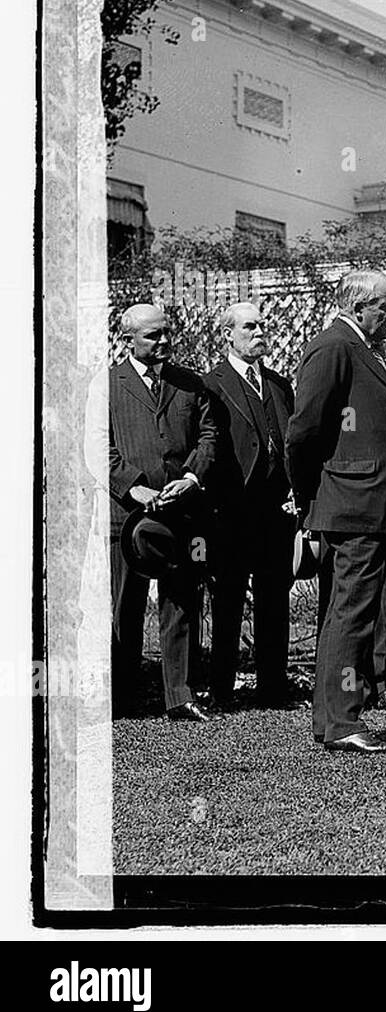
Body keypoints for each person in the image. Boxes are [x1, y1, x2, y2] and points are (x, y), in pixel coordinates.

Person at [286, 270, 386, 753]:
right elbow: (303, 432)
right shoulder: (335, 346)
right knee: (353, 615)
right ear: (360, 306)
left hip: (363, 503)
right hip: (353, 504)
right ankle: (342, 722)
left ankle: (332, 720)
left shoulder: (356, 345)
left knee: (346, 613)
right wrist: (311, 497)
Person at [105, 303, 219, 721]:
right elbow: (98, 444)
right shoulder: (107, 385)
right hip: (127, 516)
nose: (164, 341)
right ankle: (123, 696)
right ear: (127, 339)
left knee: (182, 601)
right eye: (153, 335)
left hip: (181, 511)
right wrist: (133, 486)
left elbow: (209, 436)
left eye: (166, 332)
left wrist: (190, 478)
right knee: (125, 606)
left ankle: (179, 696)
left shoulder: (191, 383)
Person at [203, 302, 296, 709]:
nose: (260, 331)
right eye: (249, 326)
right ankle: (222, 690)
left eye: (262, 325)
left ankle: (273, 689)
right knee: (228, 602)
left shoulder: (278, 384)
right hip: (232, 511)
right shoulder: (210, 384)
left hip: (275, 511)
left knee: (275, 599)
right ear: (229, 335)